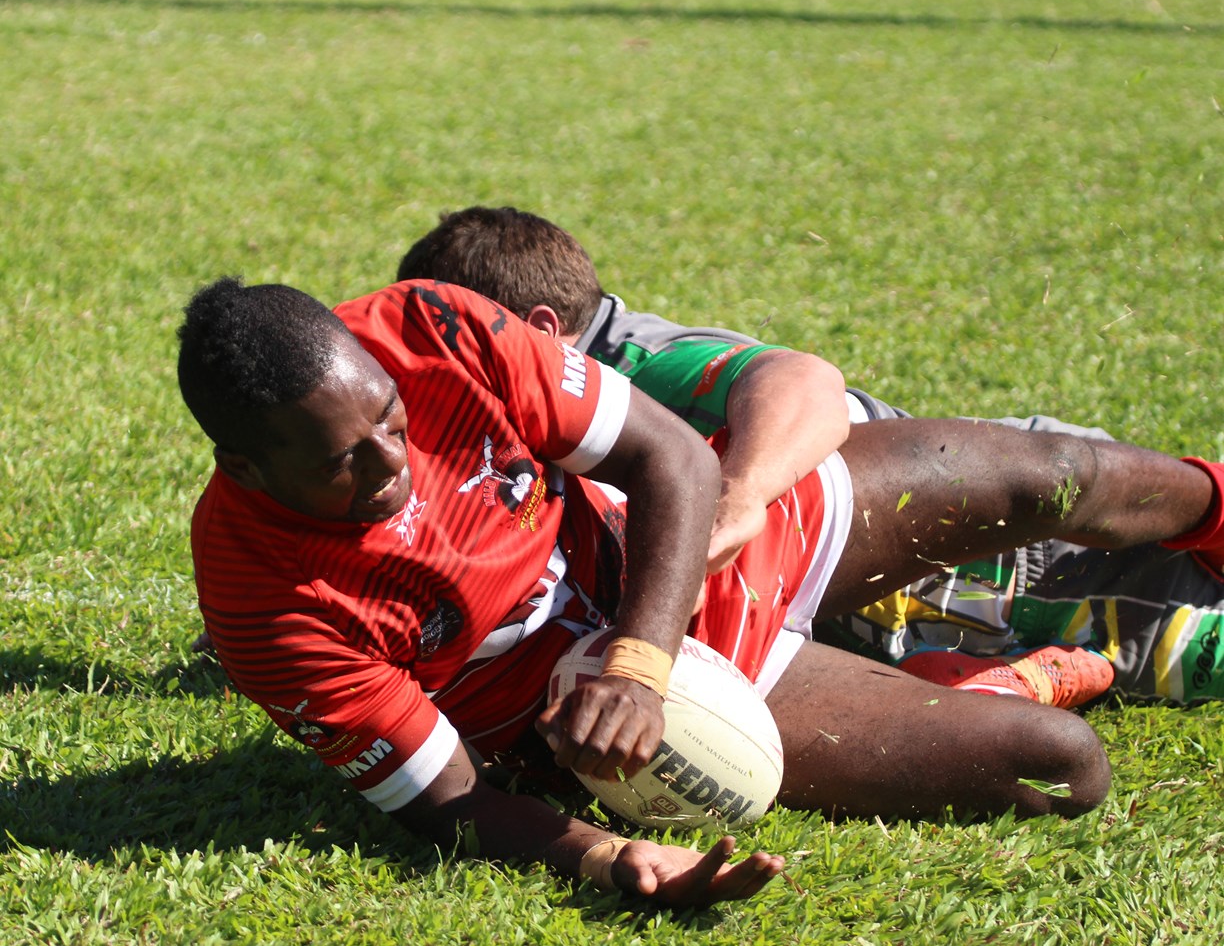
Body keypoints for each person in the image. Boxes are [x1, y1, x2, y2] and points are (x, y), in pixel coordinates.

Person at [178, 275, 1224, 904]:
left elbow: (673, 461)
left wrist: (642, 653)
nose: (390, 466)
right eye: (342, 465)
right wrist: (610, 854)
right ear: (248, 468)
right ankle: (988, 688)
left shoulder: (435, 333)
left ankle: (1216, 510)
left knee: (1051, 472)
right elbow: (443, 800)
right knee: (1061, 772)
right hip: (652, 717)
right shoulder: (259, 595)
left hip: (687, 562)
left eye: (390, 425)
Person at [396, 206, 1224, 705]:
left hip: (1019, 529)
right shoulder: (524, 446)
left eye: (465, 349)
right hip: (938, 616)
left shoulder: (625, 356)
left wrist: (743, 491)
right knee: (1177, 655)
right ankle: (1016, 683)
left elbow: (803, 380)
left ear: (537, 332)